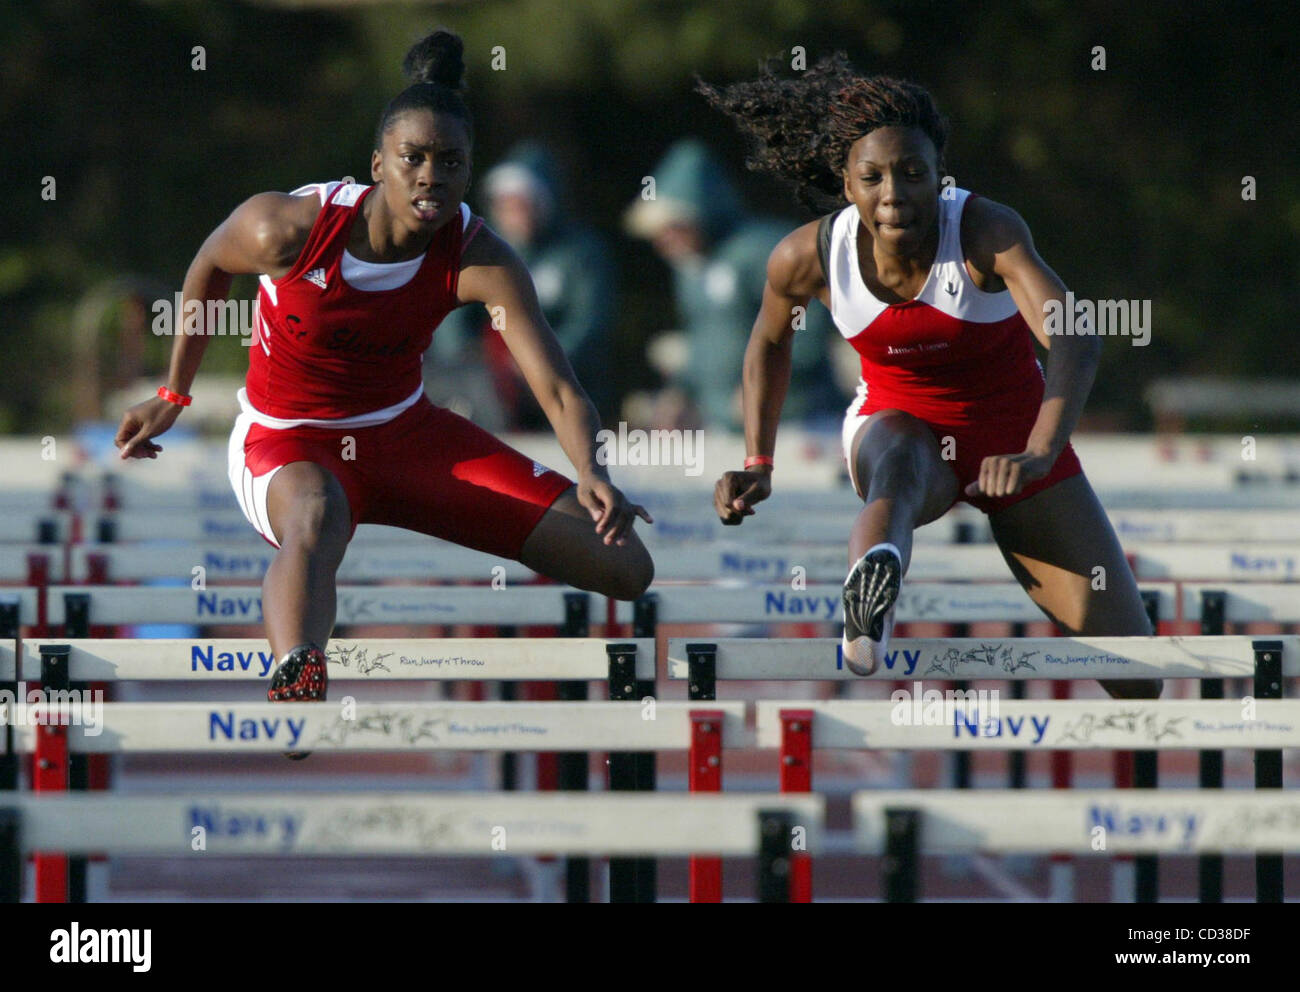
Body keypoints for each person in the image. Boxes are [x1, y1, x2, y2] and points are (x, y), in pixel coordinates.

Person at [115, 30, 655, 732]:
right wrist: (173, 392)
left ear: (469, 175)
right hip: (288, 443)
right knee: (314, 515)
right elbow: (208, 267)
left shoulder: (481, 256)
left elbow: (555, 385)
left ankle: (303, 661)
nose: (432, 176)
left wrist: (593, 470)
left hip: (407, 438)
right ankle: (297, 672)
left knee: (625, 566)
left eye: (451, 163)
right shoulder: (288, 228)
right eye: (414, 159)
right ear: (379, 164)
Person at [704, 55, 1159, 699]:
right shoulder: (807, 255)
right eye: (874, 178)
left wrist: (1039, 450)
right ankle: (869, 600)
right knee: (900, 458)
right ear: (847, 183)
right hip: (896, 427)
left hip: (1016, 442)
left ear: (940, 176)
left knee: (1135, 675)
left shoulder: (985, 232)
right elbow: (769, 343)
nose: (894, 195)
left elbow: (1076, 337)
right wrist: (758, 459)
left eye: (913, 173)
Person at [624, 139, 846, 432]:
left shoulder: (761, 250)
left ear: (699, 213)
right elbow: (704, 340)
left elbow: (807, 322)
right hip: (724, 426)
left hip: (796, 421)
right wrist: (681, 393)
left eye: (672, 227)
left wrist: (765, 386)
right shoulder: (690, 269)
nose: (663, 241)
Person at [431, 142, 618, 428]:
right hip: (491, 393)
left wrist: (537, 363)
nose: (515, 213)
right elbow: (448, 310)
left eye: (523, 203)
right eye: (507, 204)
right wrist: (471, 359)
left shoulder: (580, 254)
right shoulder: (481, 251)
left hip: (565, 389)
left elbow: (590, 322)